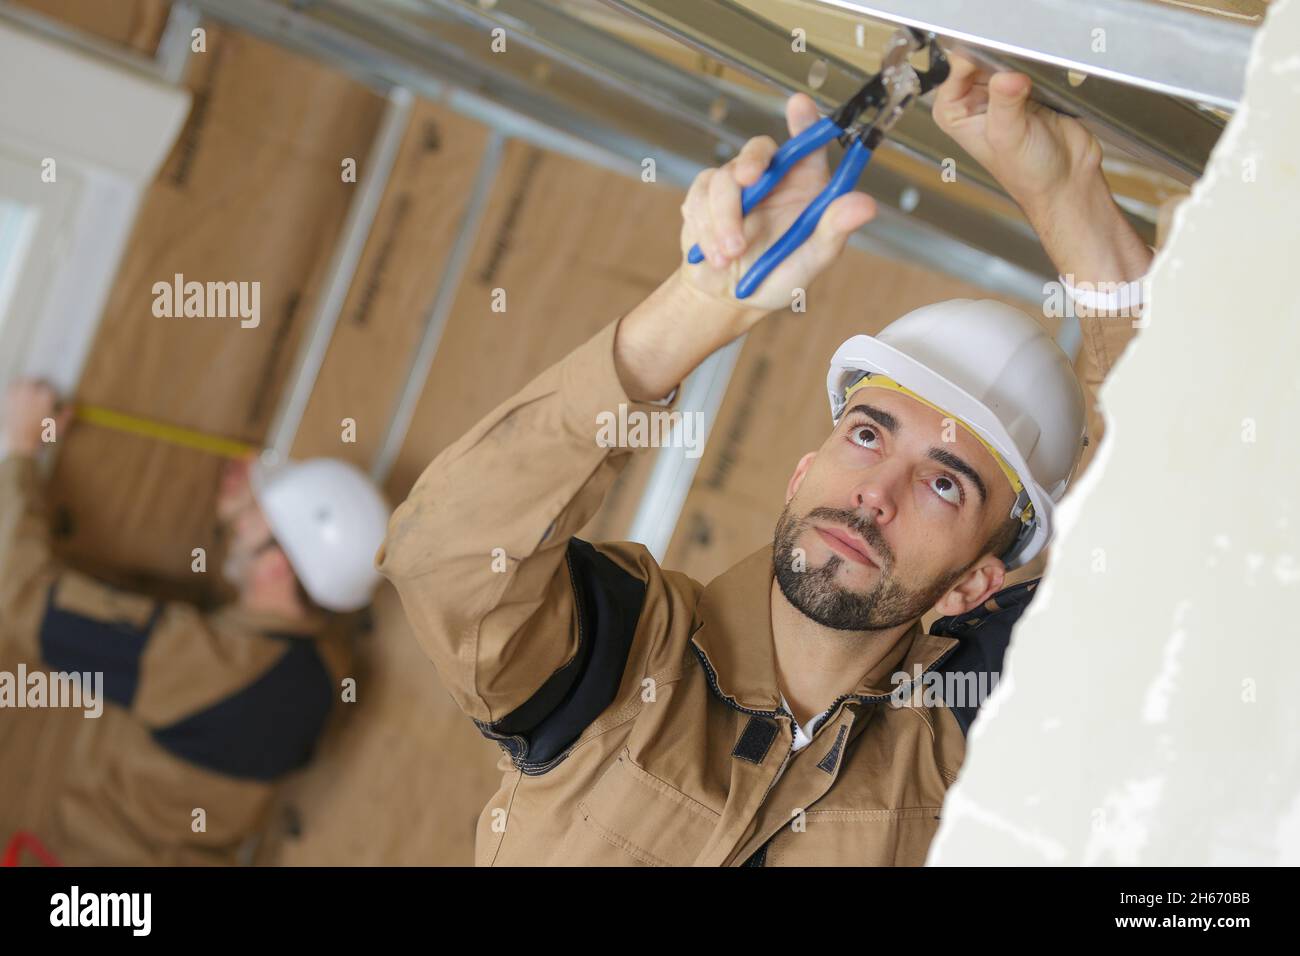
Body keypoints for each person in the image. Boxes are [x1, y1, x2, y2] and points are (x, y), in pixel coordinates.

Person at [378, 57, 1155, 866]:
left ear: (973, 586)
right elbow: (447, 556)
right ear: (800, 471)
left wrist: (1072, 208)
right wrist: (696, 309)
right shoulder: (621, 659)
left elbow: (1172, 539)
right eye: (866, 434)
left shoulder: (962, 758)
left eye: (944, 484)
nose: (874, 495)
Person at [0, 387, 390, 865]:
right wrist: (240, 507)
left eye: (257, 516)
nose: (243, 520)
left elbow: (20, 596)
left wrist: (19, 448)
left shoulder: (200, 663)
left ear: (277, 568)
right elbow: (229, 635)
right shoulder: (327, 670)